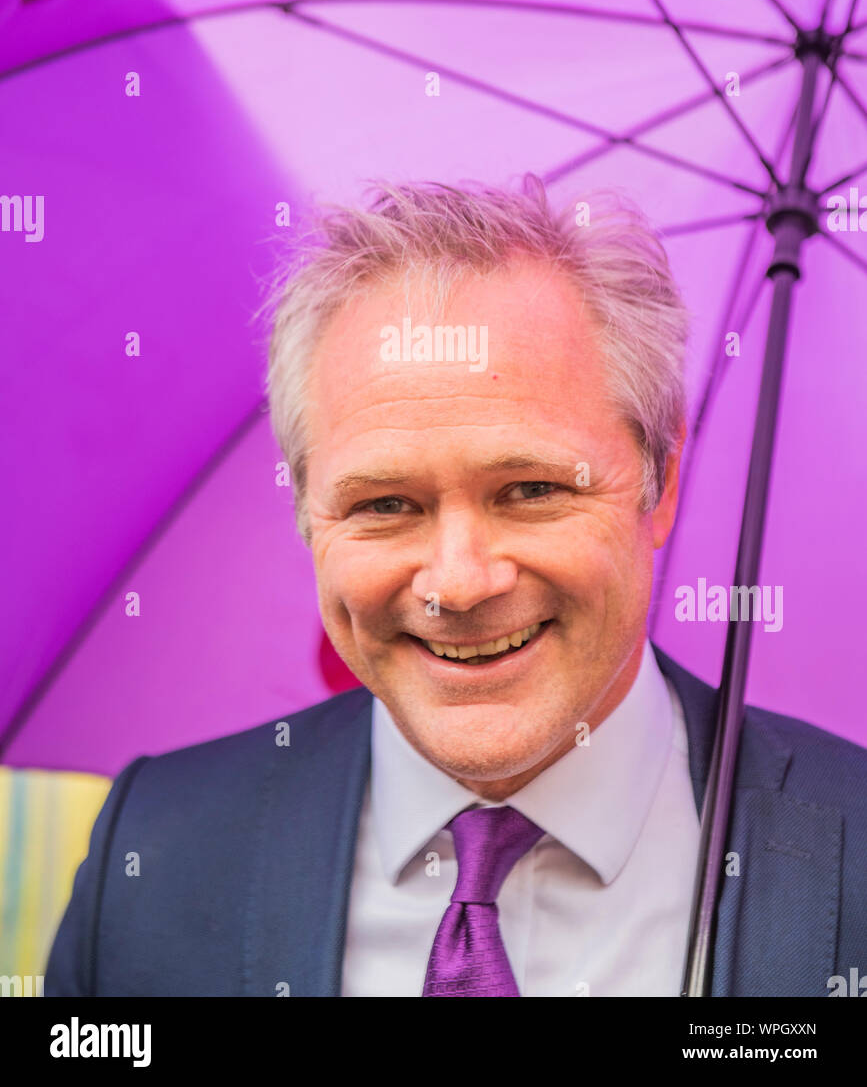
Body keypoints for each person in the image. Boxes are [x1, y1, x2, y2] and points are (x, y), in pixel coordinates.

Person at [45, 179, 867, 997]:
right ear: (304, 510)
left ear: (663, 481)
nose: (460, 584)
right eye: (385, 504)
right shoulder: (153, 854)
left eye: (532, 489)